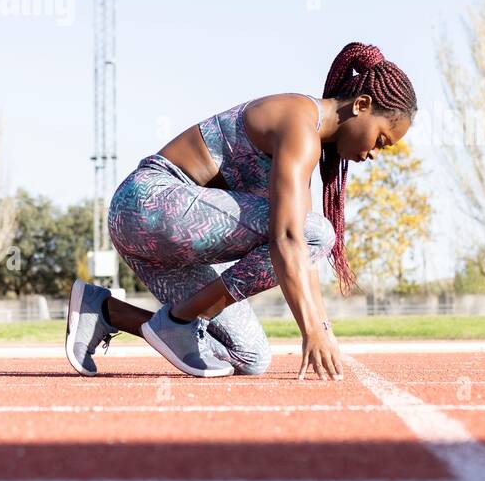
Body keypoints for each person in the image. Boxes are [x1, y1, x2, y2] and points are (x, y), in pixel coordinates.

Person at [63, 42, 417, 381]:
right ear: (362, 105)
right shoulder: (299, 123)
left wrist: (323, 330)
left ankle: (105, 310)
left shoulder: (308, 144)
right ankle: (180, 321)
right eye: (381, 140)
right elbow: (292, 238)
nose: (373, 154)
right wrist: (310, 329)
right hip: (145, 204)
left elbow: (302, 256)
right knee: (315, 231)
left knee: (250, 356)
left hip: (172, 241)